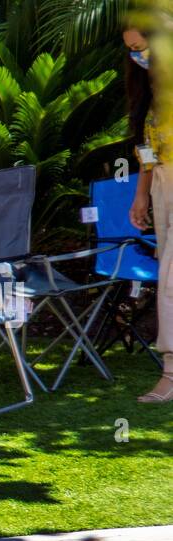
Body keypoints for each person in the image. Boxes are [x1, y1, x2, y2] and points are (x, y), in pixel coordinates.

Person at [126, 25, 173, 402]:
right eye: (132, 50)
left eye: (142, 47)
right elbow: (147, 150)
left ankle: (170, 375)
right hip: (161, 184)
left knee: (171, 275)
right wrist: (141, 196)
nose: (138, 56)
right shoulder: (152, 94)